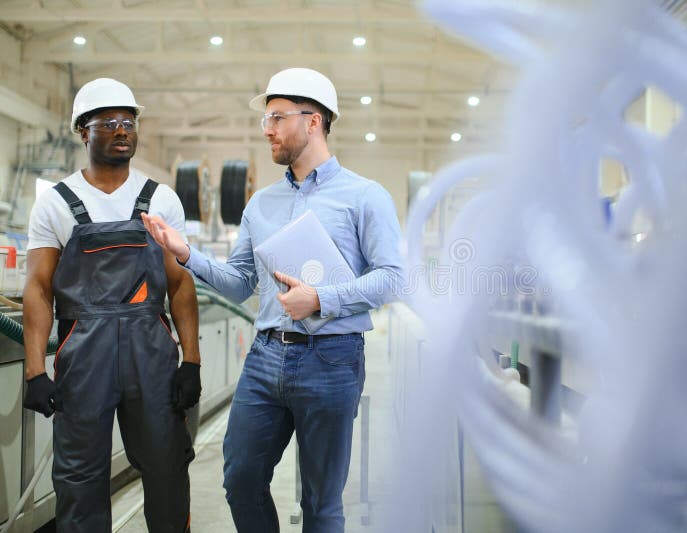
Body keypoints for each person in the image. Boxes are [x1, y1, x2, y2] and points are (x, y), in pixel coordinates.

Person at [141, 67, 404, 532]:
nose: (267, 130)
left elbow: (392, 279)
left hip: (333, 360)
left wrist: (320, 298)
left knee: (321, 502)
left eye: (277, 118)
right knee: (240, 478)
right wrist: (186, 254)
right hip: (264, 360)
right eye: (266, 120)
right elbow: (240, 282)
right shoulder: (260, 204)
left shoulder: (365, 197)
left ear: (314, 121)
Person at [22, 77, 201, 533]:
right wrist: (35, 371)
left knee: (167, 468)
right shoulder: (56, 204)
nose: (122, 130)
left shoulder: (161, 199)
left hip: (152, 354)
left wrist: (192, 360)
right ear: (84, 131)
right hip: (84, 353)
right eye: (108, 123)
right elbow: (39, 288)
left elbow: (180, 284)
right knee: (79, 476)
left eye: (129, 122)